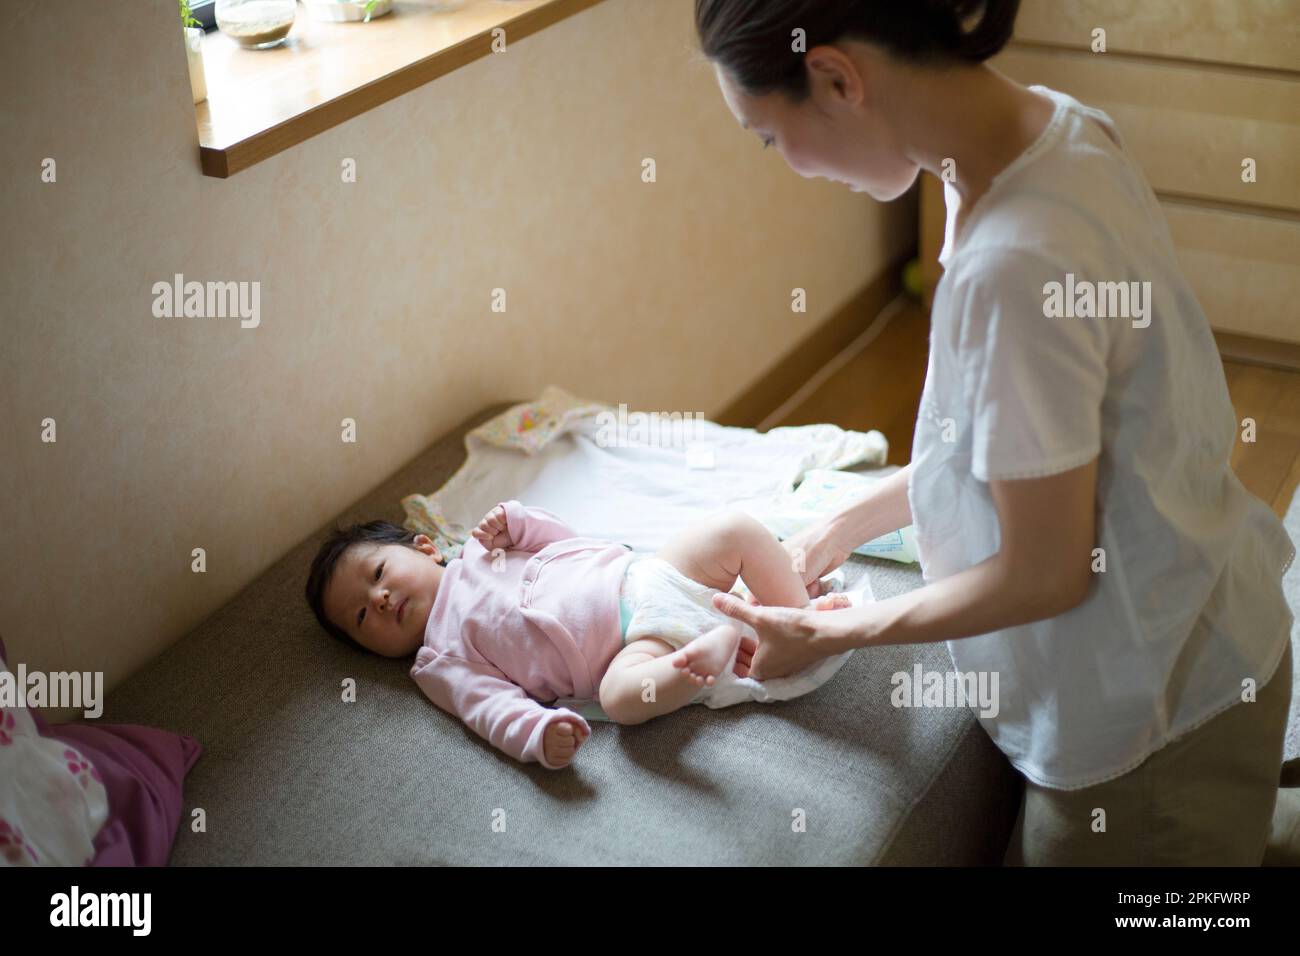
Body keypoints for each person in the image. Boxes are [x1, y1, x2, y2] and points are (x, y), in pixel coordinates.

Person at [695, 0, 1296, 865]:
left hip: (1152, 719)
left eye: (768, 136)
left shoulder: (1013, 264)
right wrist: (837, 528)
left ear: (834, 78)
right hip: (1201, 623)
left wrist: (832, 634)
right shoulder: (1051, 133)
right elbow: (995, 447)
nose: (784, 164)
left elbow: (1045, 570)